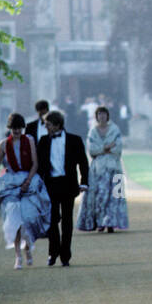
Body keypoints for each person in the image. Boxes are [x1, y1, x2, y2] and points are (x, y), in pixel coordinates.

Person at [0, 112, 53, 270]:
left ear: (22, 128)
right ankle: (18, 256)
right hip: (10, 184)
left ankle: (27, 247)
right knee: (14, 220)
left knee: (28, 218)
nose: (16, 131)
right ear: (9, 128)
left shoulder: (29, 141)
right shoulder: (3, 144)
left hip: (28, 181)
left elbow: (35, 164)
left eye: (19, 128)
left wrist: (28, 181)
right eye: (13, 128)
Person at [37, 109, 89, 267]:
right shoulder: (44, 141)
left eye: (48, 124)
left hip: (68, 184)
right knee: (52, 221)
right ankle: (53, 252)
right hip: (50, 185)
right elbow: (39, 166)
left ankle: (65, 255)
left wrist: (84, 181)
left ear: (58, 125)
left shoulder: (75, 140)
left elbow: (83, 163)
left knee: (67, 221)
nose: (46, 127)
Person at [77, 106, 129, 233]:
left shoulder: (115, 129)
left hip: (114, 167)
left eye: (104, 114)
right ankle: (100, 222)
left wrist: (102, 148)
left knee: (115, 195)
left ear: (107, 116)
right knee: (99, 196)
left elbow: (118, 149)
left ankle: (111, 222)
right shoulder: (93, 131)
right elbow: (92, 150)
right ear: (96, 116)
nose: (102, 116)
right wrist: (105, 148)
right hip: (97, 169)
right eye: (99, 114)